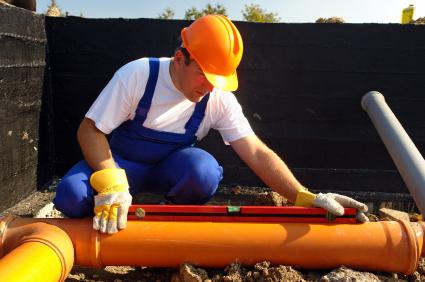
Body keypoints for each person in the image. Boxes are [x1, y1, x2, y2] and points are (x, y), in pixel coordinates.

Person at [54, 14, 368, 234]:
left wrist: (305, 197)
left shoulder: (217, 99)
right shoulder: (139, 75)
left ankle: (161, 220)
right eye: (203, 73)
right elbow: (90, 130)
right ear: (180, 58)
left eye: (217, 78)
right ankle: (102, 221)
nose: (209, 85)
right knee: (70, 195)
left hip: (168, 170)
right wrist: (111, 180)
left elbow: (257, 153)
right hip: (119, 164)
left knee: (202, 171)